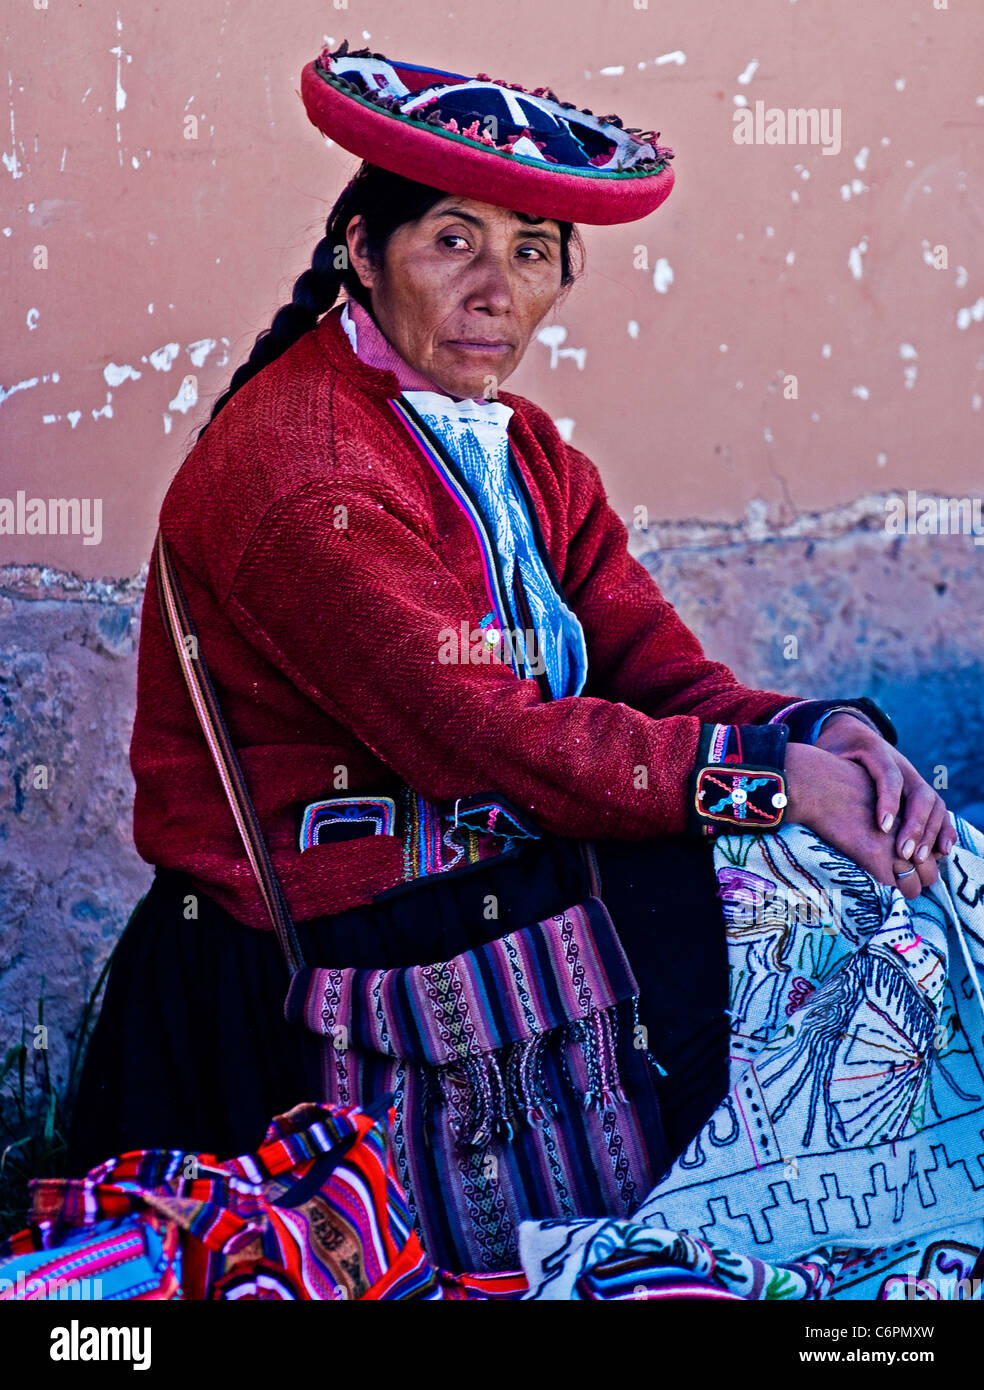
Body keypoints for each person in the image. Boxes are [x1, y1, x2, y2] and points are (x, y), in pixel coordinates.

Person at [68, 42, 955, 1248]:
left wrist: (823, 733)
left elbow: (662, 673)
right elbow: (484, 739)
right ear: (364, 256)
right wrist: (762, 782)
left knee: (887, 877)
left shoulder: (523, 451)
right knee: (775, 898)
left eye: (531, 251)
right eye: (452, 241)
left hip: (478, 884)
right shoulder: (303, 476)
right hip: (326, 953)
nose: (497, 288)